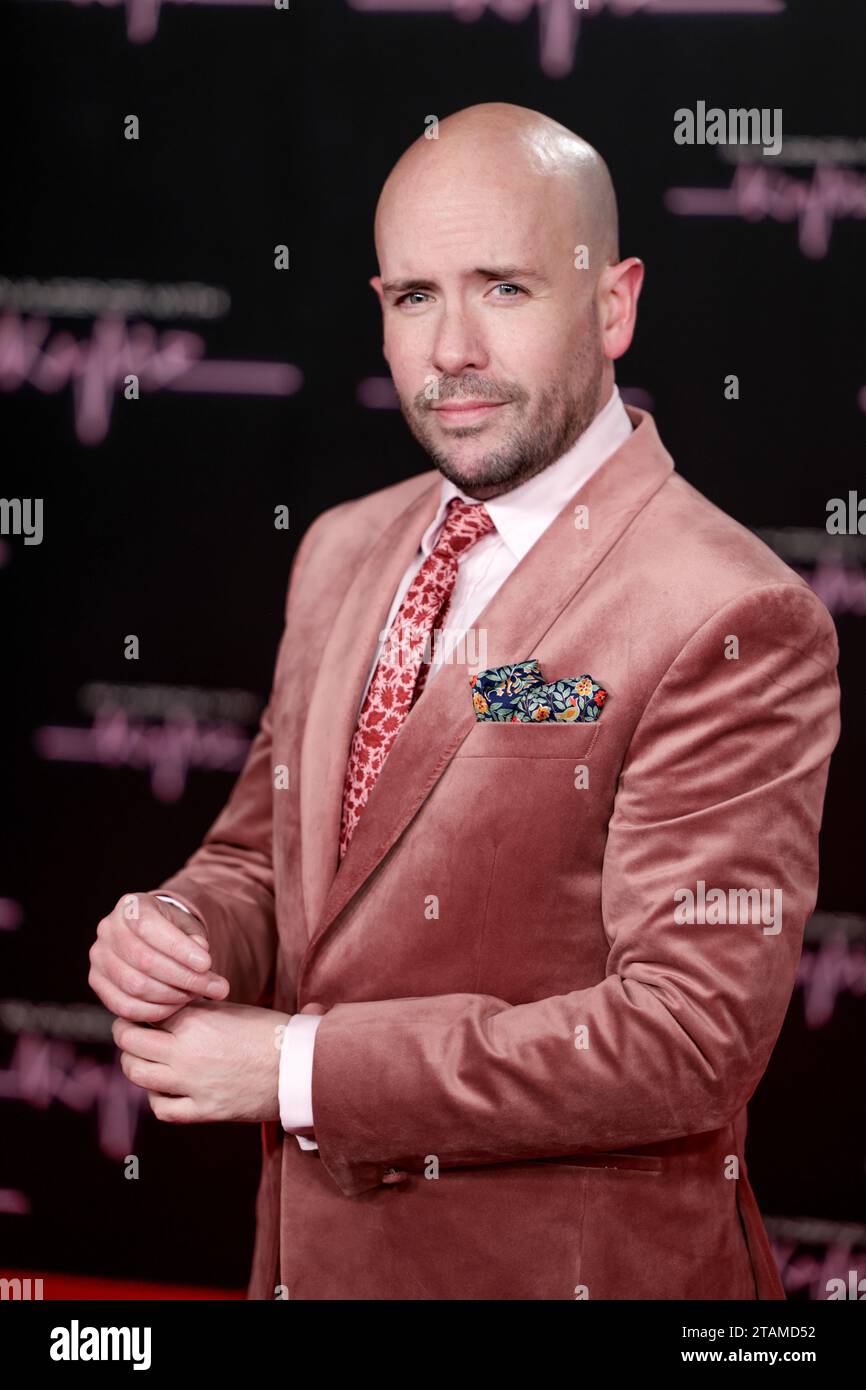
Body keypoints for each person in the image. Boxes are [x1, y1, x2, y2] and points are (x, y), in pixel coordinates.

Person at [89, 102, 840, 1300]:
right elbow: (267, 864)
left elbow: (684, 1041)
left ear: (612, 303)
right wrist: (182, 928)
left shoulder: (728, 610)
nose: (448, 351)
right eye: (412, 297)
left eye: (501, 288)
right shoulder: (340, 548)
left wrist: (295, 1068)